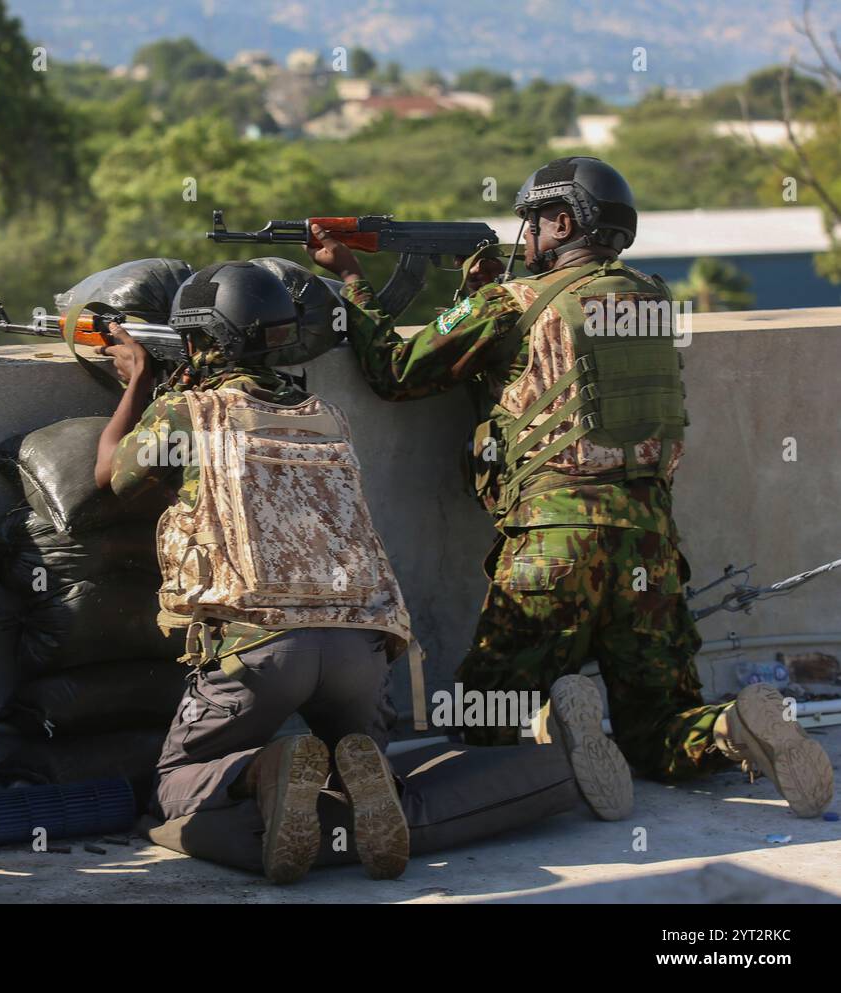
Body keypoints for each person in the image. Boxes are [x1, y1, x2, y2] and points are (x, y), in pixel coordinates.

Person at [308, 156, 834, 818]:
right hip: (649, 549)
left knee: (483, 713)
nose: (522, 236)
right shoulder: (650, 299)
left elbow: (395, 369)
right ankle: (734, 729)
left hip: (552, 547)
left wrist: (353, 280)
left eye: (531, 222)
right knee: (657, 726)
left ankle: (557, 744)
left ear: (562, 222)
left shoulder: (508, 304)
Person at [91, 260, 635, 884]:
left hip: (262, 649)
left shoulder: (188, 412)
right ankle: (557, 767)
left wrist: (137, 383)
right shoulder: (326, 414)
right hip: (361, 647)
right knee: (390, 791)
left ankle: (268, 772)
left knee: (172, 796)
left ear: (200, 342)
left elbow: (109, 477)